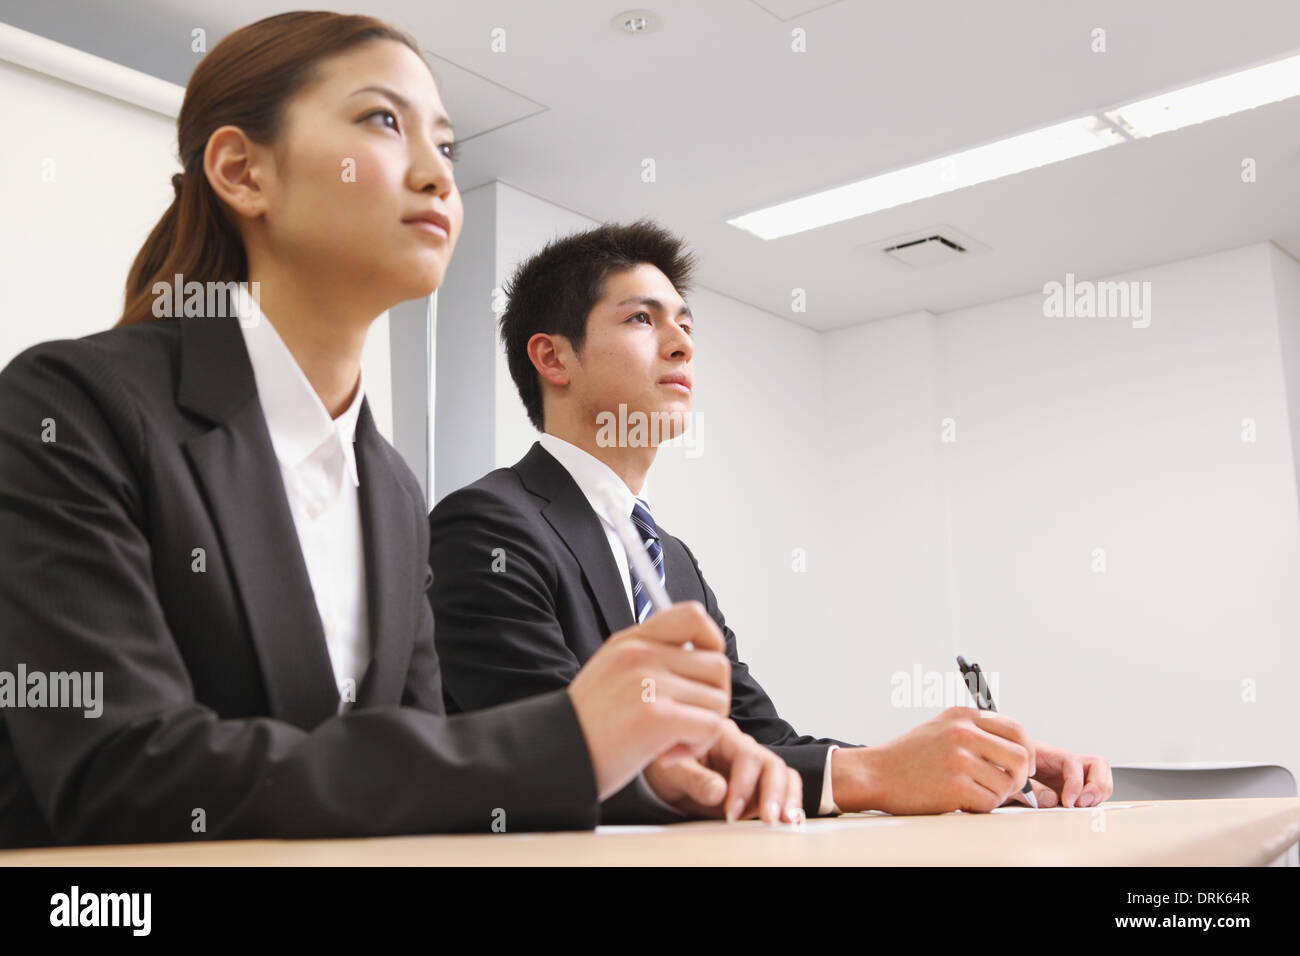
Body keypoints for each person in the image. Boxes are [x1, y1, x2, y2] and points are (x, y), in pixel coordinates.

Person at [0, 13, 746, 848]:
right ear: (242, 171)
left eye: (450, 148)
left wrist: (640, 775)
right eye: (383, 122)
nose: (436, 174)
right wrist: (566, 742)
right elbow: (117, 771)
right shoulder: (70, 406)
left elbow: (415, 777)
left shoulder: (390, 488)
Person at [428, 220, 1115, 818]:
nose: (681, 345)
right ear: (552, 357)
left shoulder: (672, 556)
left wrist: (963, 763)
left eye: (686, 324)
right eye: (643, 319)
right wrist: (871, 776)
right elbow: (557, 759)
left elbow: (760, 741)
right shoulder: (486, 527)